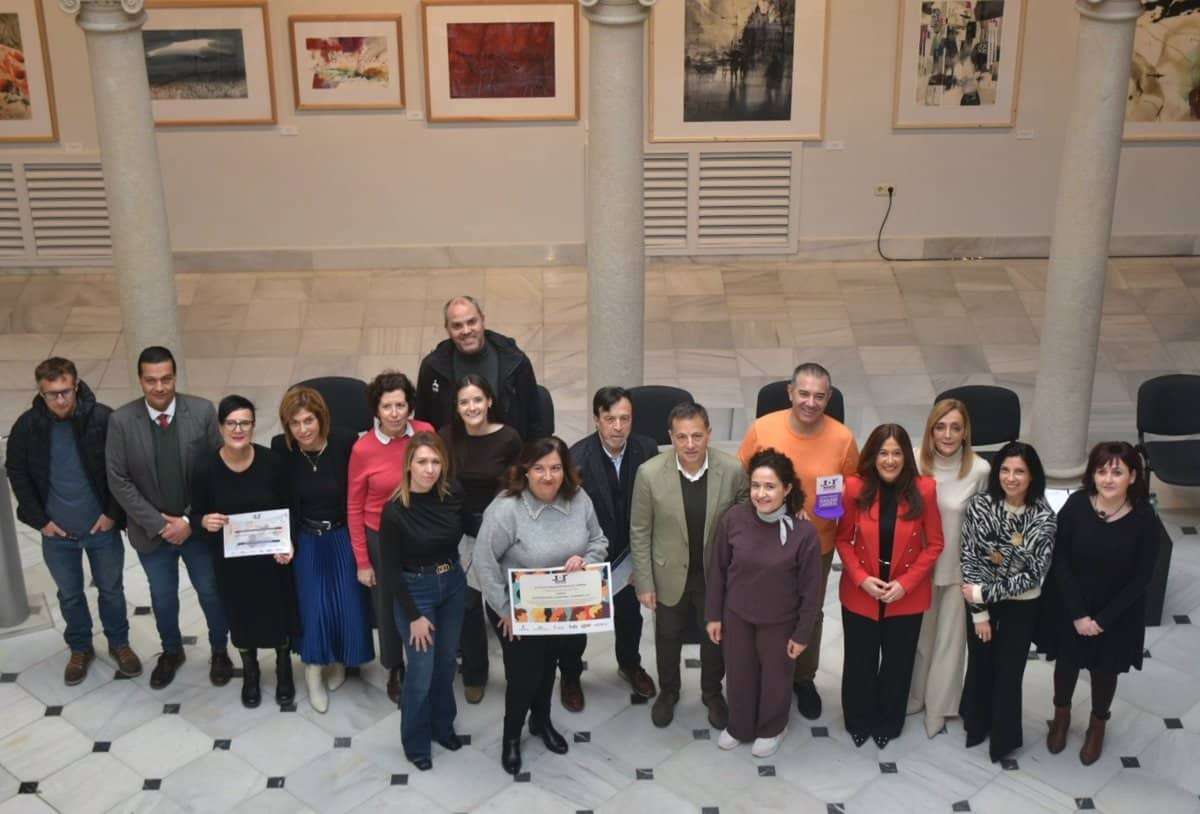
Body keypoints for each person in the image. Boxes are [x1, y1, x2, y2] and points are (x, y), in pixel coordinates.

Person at [473, 436, 608, 775]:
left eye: (555, 468)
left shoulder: (579, 500)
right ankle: (511, 737)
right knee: (523, 675)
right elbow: (484, 562)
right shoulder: (506, 508)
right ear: (525, 470)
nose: (548, 477)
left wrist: (586, 559)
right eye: (539, 468)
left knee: (550, 667)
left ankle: (541, 722)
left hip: (560, 607)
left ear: (565, 470)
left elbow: (599, 540)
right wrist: (505, 610)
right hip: (516, 609)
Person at [6, 357, 140, 685]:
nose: (61, 400)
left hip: (101, 527)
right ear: (41, 393)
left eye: (66, 391)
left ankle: (119, 643)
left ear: (77, 386)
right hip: (57, 532)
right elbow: (18, 473)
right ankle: (80, 648)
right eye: (52, 394)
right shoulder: (27, 426)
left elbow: (122, 469)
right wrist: (41, 521)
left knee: (111, 589)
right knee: (69, 594)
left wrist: (112, 513)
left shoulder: (103, 419)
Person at [738, 362, 859, 720]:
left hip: (817, 546)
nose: (810, 402)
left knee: (810, 612)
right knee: (763, 609)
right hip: (764, 542)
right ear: (790, 392)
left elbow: (850, 489)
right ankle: (762, 673)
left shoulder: (843, 438)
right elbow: (742, 481)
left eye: (819, 396)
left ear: (829, 398)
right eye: (803, 393)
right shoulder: (763, 428)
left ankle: (803, 678)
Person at [106, 346, 231, 690]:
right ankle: (171, 651)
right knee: (162, 596)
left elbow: (215, 469)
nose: (159, 387)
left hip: (197, 530)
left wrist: (189, 522)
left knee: (210, 592)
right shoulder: (121, 421)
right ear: (140, 381)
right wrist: (161, 525)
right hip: (152, 534)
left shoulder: (202, 411)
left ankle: (220, 650)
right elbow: (118, 480)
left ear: (175, 377)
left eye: (166, 379)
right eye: (151, 380)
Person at [631, 402, 749, 730]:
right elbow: (639, 530)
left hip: (715, 575)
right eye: (681, 437)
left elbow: (744, 516)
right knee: (667, 635)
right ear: (670, 437)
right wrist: (644, 581)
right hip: (668, 574)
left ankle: (712, 693)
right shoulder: (650, 474)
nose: (690, 444)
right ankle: (668, 692)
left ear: (709, 433)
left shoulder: (733, 470)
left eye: (697, 435)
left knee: (715, 638)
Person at [1041, 442, 1157, 766]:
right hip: (1072, 605)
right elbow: (1059, 558)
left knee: (1105, 670)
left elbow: (1142, 578)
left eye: (1117, 472)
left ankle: (1097, 725)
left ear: (1132, 476)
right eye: (1101, 471)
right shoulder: (1078, 505)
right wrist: (1078, 615)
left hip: (1116, 613)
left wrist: (1102, 620)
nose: (1108, 479)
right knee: (1066, 663)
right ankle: (1061, 716)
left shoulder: (1145, 518)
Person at [706, 449, 822, 758]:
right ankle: (740, 725)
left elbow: (812, 592)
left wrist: (802, 634)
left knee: (776, 677)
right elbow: (718, 570)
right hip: (737, 615)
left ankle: (773, 727)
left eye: (770, 487)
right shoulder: (733, 519)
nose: (761, 494)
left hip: (780, 621)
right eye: (756, 485)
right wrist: (714, 615)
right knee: (740, 672)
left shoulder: (804, 533)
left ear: (787, 488)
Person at [835, 424, 944, 749]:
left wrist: (906, 584)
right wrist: (860, 578)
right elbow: (843, 539)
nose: (890, 459)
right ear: (873, 455)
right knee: (860, 660)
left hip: (904, 594)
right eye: (883, 452)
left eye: (897, 452)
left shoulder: (924, 489)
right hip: (862, 590)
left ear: (906, 456)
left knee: (897, 663)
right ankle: (858, 718)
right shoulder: (854, 487)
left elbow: (935, 544)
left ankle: (888, 721)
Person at [272, 387, 374, 714]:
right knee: (314, 607)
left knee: (346, 604)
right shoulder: (282, 449)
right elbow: (280, 500)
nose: (303, 430)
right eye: (295, 423)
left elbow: (360, 490)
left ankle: (341, 661)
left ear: (321, 419)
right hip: (306, 539)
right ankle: (314, 671)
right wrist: (283, 539)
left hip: (342, 535)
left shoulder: (345, 442)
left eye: (308, 420)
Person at [193, 395, 298, 708]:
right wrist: (203, 520)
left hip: (271, 558)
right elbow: (197, 512)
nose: (238, 429)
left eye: (245, 423)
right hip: (231, 562)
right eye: (232, 423)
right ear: (221, 426)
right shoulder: (205, 468)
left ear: (254, 426)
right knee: (240, 616)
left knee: (277, 613)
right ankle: (250, 671)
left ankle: (283, 669)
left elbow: (289, 507)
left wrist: (288, 541)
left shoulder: (272, 462)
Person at [561, 386, 660, 710]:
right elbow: (566, 516)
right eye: (610, 419)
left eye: (624, 418)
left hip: (630, 556)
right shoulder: (576, 458)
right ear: (596, 420)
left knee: (631, 617)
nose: (618, 427)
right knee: (576, 625)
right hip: (589, 555)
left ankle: (629, 664)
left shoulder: (646, 450)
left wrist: (643, 563)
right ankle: (571, 676)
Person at [959, 442, 1056, 762]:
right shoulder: (979, 505)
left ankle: (1003, 738)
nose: (1010, 478)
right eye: (1004, 469)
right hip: (979, 602)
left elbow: (1032, 574)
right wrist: (979, 613)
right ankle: (976, 723)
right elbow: (970, 558)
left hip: (1021, 603)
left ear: (1032, 477)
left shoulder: (1043, 517)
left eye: (1019, 472)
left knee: (1009, 671)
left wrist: (984, 594)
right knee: (980, 661)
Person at [378, 432, 467, 771]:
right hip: (415, 591)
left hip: (453, 584)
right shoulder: (395, 511)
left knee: (446, 664)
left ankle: (443, 726)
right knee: (421, 669)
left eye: (435, 462)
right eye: (422, 462)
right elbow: (389, 571)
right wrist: (414, 615)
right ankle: (415, 741)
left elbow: (471, 524)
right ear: (409, 465)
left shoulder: (451, 493)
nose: (430, 470)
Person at [348, 370, 434, 704]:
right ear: (376, 409)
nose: (395, 413)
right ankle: (394, 667)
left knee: (423, 598)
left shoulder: (425, 433)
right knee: (386, 606)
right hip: (380, 538)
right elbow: (354, 507)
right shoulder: (363, 448)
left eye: (401, 405)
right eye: (388, 407)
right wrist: (362, 561)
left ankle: (426, 660)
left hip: (422, 532)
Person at [437, 374, 522, 704]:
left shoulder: (509, 438)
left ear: (489, 402)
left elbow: (518, 490)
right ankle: (474, 673)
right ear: (456, 408)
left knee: (502, 605)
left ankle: (518, 669)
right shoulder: (445, 438)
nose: (471, 407)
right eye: (464, 402)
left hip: (500, 534)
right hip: (461, 534)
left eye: (477, 400)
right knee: (468, 606)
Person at [908, 399, 990, 737]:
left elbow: (984, 526)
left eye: (955, 428)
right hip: (917, 569)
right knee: (920, 639)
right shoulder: (913, 460)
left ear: (965, 432)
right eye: (940, 426)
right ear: (930, 428)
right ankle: (913, 697)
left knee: (949, 642)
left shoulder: (980, 470)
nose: (947, 434)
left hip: (958, 569)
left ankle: (939, 708)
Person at [416, 295, 546, 440]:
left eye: (472, 322)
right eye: (457, 325)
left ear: (482, 320)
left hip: (509, 454)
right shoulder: (432, 367)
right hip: (452, 455)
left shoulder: (516, 361)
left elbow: (535, 422)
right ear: (447, 329)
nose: (466, 331)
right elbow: (422, 425)